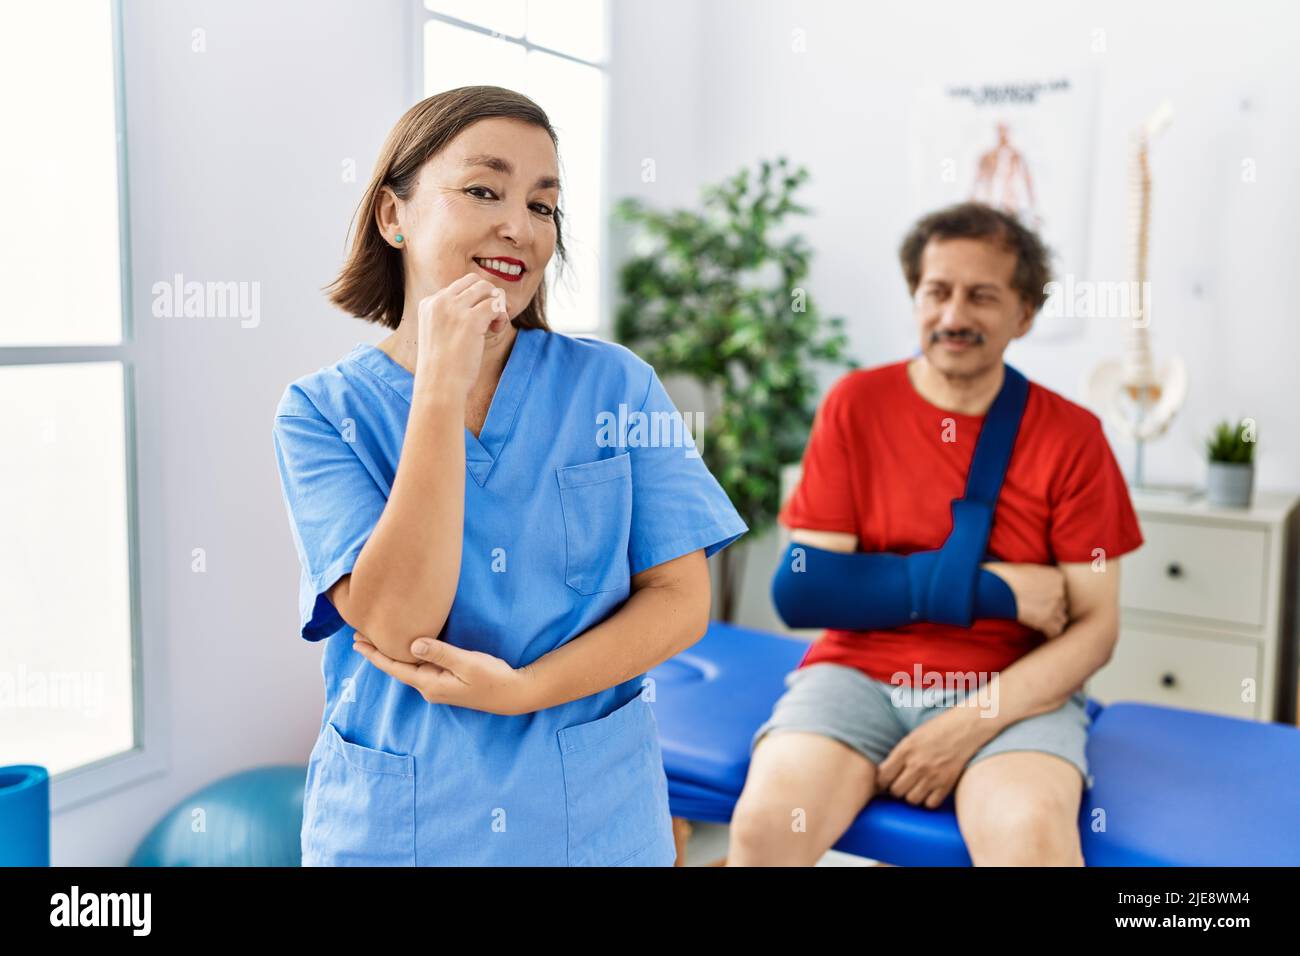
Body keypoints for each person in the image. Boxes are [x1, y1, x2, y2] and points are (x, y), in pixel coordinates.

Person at [272, 86, 747, 866]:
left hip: (593, 824)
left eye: (543, 204)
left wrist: (525, 690)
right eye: (484, 191)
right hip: (403, 830)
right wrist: (438, 388)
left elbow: (681, 600)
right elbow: (396, 622)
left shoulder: (618, 386)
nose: (519, 227)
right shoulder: (320, 413)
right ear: (395, 216)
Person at [728, 202, 1143, 866]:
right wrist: (993, 589)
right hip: (857, 674)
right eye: (937, 292)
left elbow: (1096, 627)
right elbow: (805, 592)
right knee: (765, 825)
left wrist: (966, 724)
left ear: (1025, 314)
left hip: (1010, 685)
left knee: (1028, 840)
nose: (954, 316)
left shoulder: (1074, 438)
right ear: (915, 296)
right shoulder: (857, 405)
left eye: (982, 296)